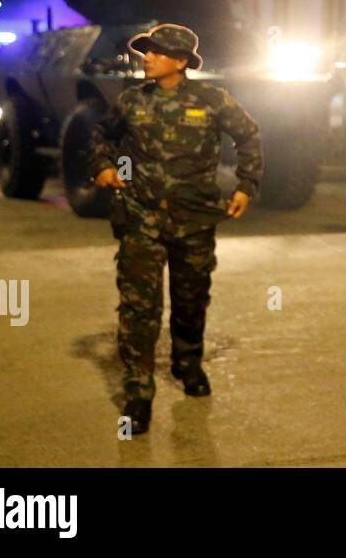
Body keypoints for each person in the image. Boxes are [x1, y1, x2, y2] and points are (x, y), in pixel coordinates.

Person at [90, 23, 263, 436]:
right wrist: (105, 166)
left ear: (181, 61)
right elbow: (103, 135)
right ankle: (138, 392)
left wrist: (246, 185)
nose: (146, 57)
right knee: (138, 308)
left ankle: (188, 365)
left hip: (195, 219)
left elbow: (249, 136)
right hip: (140, 219)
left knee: (190, 300)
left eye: (156, 52)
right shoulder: (131, 101)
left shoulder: (213, 100)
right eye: (145, 51)